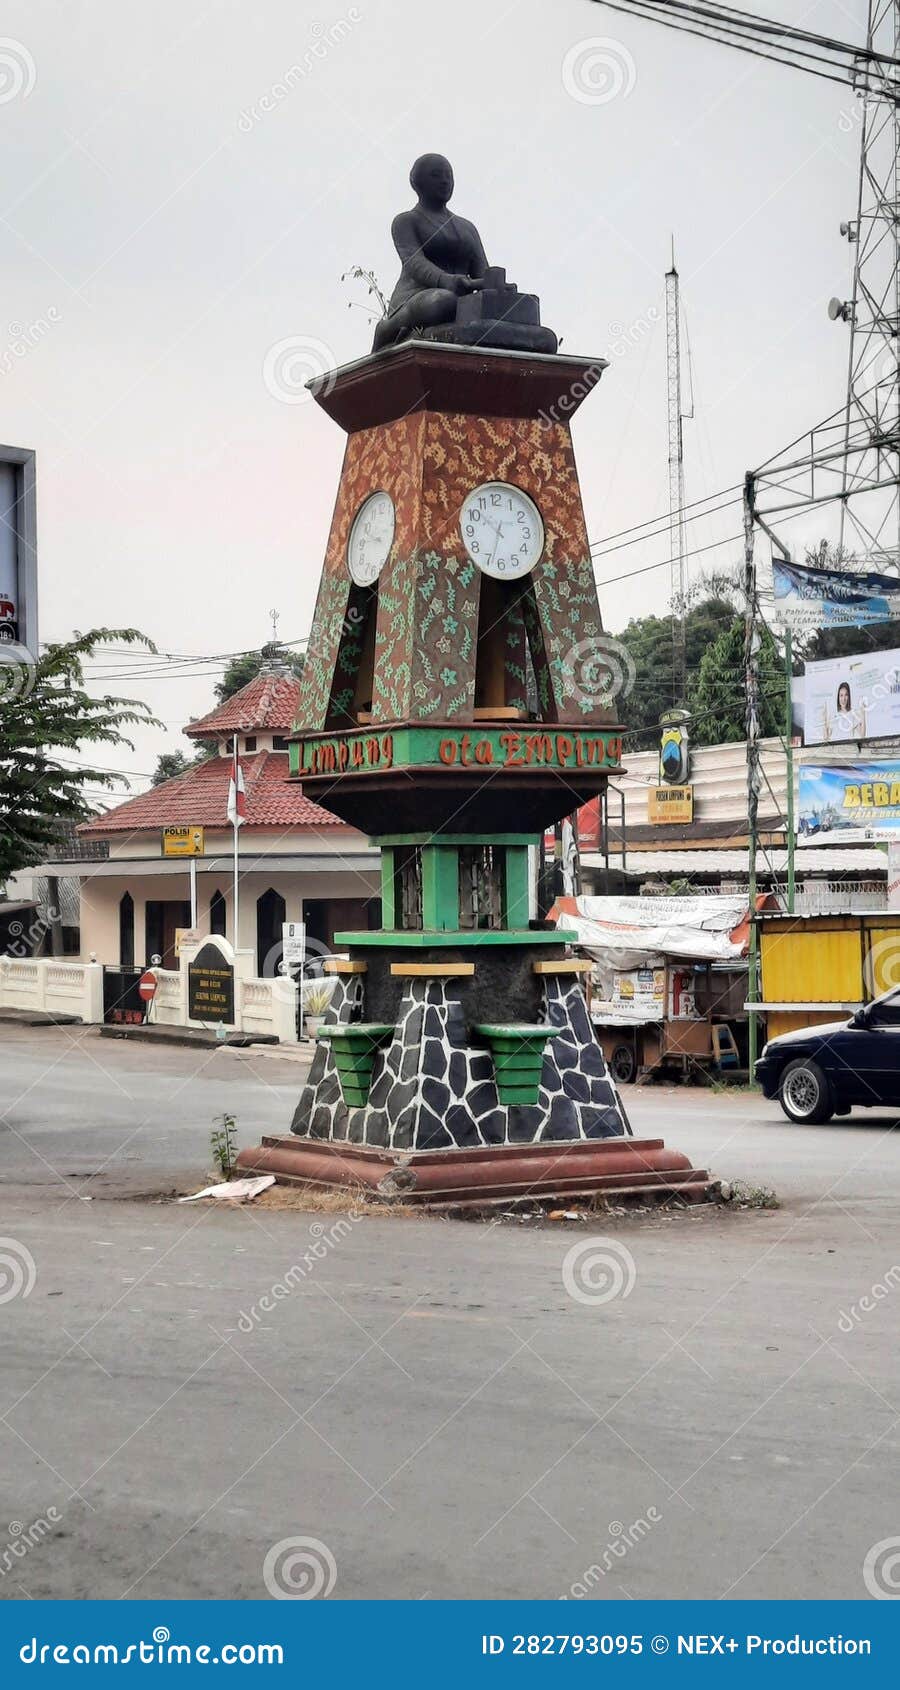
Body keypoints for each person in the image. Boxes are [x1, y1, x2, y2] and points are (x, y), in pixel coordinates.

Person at [373, 155, 488, 351]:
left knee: (521, 305)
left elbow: (482, 271)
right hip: (419, 295)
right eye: (436, 176)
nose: (445, 181)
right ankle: (389, 327)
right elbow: (414, 262)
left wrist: (496, 285)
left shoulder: (467, 228)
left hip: (462, 298)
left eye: (448, 176)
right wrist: (446, 280)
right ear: (417, 183)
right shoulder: (406, 221)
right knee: (443, 301)